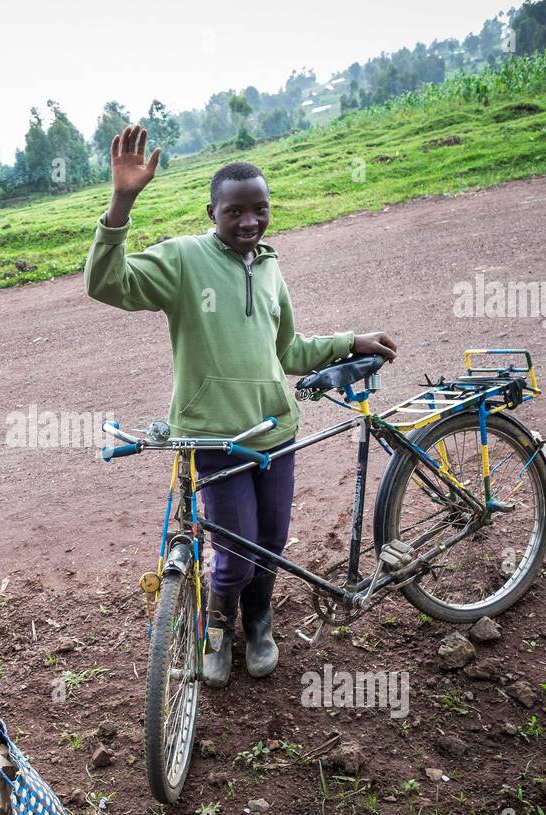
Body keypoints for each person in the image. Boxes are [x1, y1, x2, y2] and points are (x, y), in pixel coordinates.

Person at [84, 125, 399, 688]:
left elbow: (290, 351)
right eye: (235, 212)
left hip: (276, 430)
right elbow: (107, 284)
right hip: (213, 436)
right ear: (213, 212)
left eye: (260, 209)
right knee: (234, 551)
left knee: (270, 543)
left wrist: (351, 341)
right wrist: (123, 199)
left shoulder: (271, 265)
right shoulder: (183, 260)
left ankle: (258, 621)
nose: (249, 221)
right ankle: (216, 625)